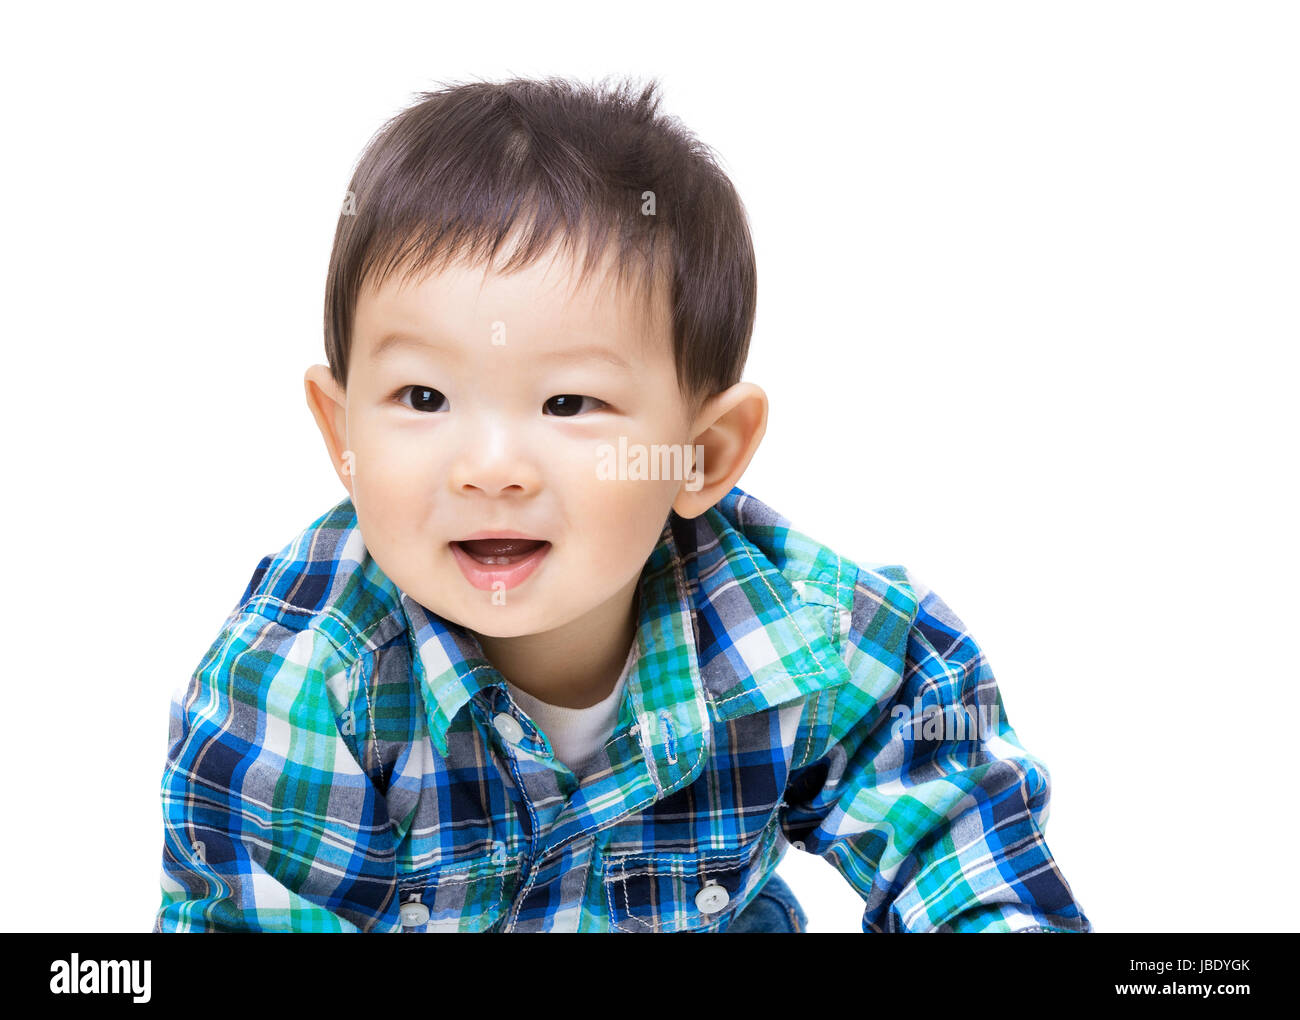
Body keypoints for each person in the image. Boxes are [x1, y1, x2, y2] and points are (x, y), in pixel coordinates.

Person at [153, 76, 1092, 933]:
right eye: (424, 399)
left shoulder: (797, 634)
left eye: (568, 404)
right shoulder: (291, 689)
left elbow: (960, 836)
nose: (490, 469)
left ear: (704, 452)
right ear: (340, 430)